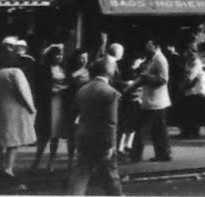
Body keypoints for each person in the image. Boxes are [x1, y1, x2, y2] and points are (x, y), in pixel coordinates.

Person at [69, 57, 123, 196]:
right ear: (108, 71)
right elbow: (111, 122)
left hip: (83, 136)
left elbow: (74, 112)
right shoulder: (111, 93)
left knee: (80, 174)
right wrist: (110, 145)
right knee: (111, 175)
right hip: (102, 140)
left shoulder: (83, 90)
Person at [0, 47, 37, 180]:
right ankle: (8, 168)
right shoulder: (15, 72)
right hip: (14, 110)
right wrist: (31, 108)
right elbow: (23, 91)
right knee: (13, 141)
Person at [132, 39, 172, 162]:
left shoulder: (160, 60)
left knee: (142, 128)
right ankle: (163, 153)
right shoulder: (152, 59)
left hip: (154, 100)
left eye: (149, 47)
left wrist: (145, 77)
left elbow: (163, 79)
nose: (146, 49)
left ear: (155, 46)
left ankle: (136, 155)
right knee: (158, 129)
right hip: (154, 100)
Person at [32, 44, 68, 172]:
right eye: (57, 54)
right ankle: (37, 160)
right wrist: (52, 90)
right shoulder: (43, 68)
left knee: (55, 135)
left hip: (60, 103)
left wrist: (64, 89)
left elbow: (66, 83)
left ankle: (51, 162)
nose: (59, 57)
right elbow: (39, 86)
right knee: (44, 135)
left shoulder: (62, 69)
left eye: (61, 55)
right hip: (47, 103)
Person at [177, 47, 205, 139]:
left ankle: (194, 132)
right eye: (190, 52)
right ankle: (186, 131)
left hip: (194, 91)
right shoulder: (188, 62)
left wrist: (184, 87)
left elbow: (192, 78)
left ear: (197, 53)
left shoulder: (197, 63)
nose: (191, 54)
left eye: (194, 52)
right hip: (188, 91)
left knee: (193, 113)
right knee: (186, 113)